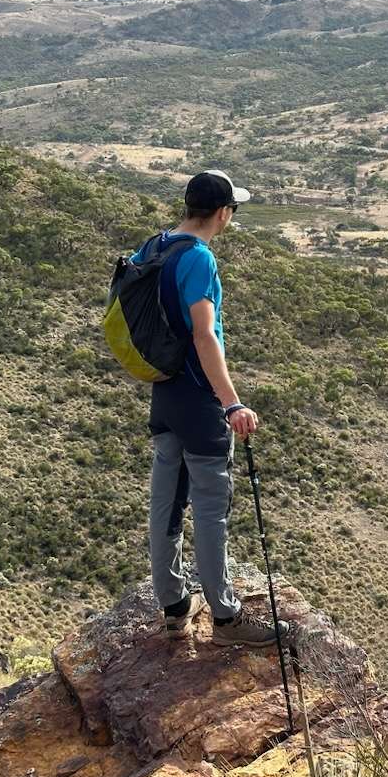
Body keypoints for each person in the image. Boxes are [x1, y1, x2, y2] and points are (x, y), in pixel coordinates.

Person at [133, 170, 283, 646]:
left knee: (166, 506)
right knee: (211, 511)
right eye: (232, 209)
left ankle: (175, 608)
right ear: (223, 212)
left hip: (164, 394)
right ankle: (225, 618)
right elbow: (204, 335)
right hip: (199, 402)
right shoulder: (198, 258)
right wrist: (231, 402)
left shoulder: (155, 245)